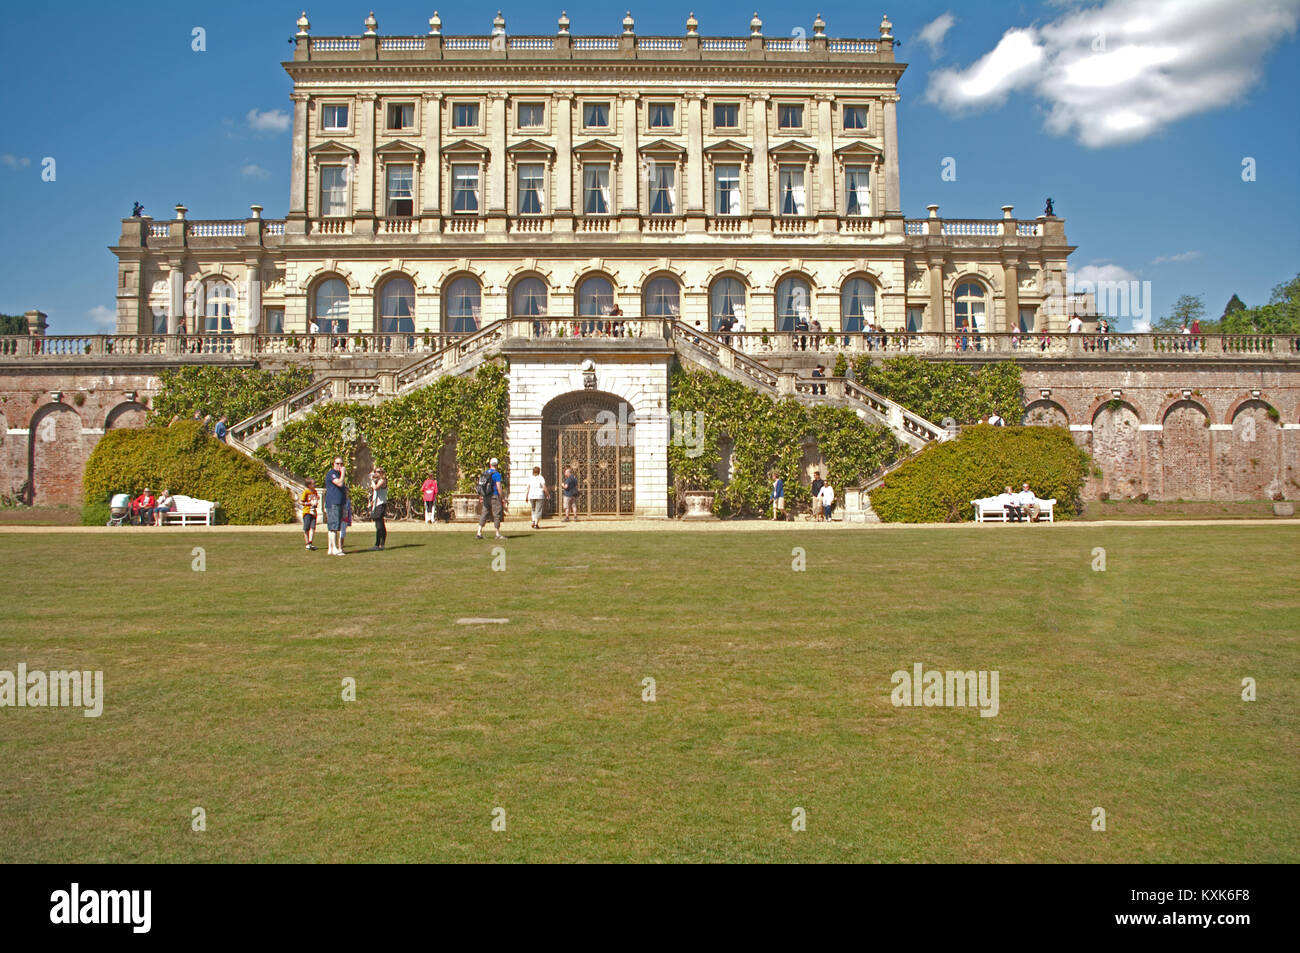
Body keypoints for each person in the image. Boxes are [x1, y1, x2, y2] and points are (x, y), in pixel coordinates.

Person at [476, 457, 506, 540]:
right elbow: (498, 486)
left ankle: (479, 532)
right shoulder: (496, 474)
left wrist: (481, 495)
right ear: (497, 465)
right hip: (494, 495)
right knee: (497, 514)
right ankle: (497, 533)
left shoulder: (485, 473)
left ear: (490, 464)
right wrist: (502, 497)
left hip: (486, 495)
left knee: (484, 513)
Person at [324, 456, 347, 556]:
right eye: (337, 464)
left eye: (341, 464)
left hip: (339, 502)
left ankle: (330, 548)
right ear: (334, 464)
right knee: (333, 527)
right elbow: (340, 483)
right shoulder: (332, 474)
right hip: (333, 503)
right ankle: (334, 549)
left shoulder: (338, 474)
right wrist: (343, 473)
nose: (339, 466)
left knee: (334, 526)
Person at [369, 465, 388, 551]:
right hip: (376, 505)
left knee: (379, 525)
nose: (376, 473)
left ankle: (378, 544)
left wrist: (372, 480)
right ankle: (380, 544)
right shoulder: (377, 481)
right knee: (379, 524)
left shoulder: (383, 480)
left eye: (378, 472)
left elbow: (376, 488)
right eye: (375, 472)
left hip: (381, 505)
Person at [300, 479, 319, 550]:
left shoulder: (315, 492)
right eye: (313, 484)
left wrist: (315, 503)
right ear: (309, 485)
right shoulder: (306, 492)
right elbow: (301, 502)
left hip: (313, 512)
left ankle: (310, 542)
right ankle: (307, 543)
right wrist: (308, 503)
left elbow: (316, 500)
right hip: (307, 512)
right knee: (306, 528)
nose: (315, 485)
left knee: (313, 527)